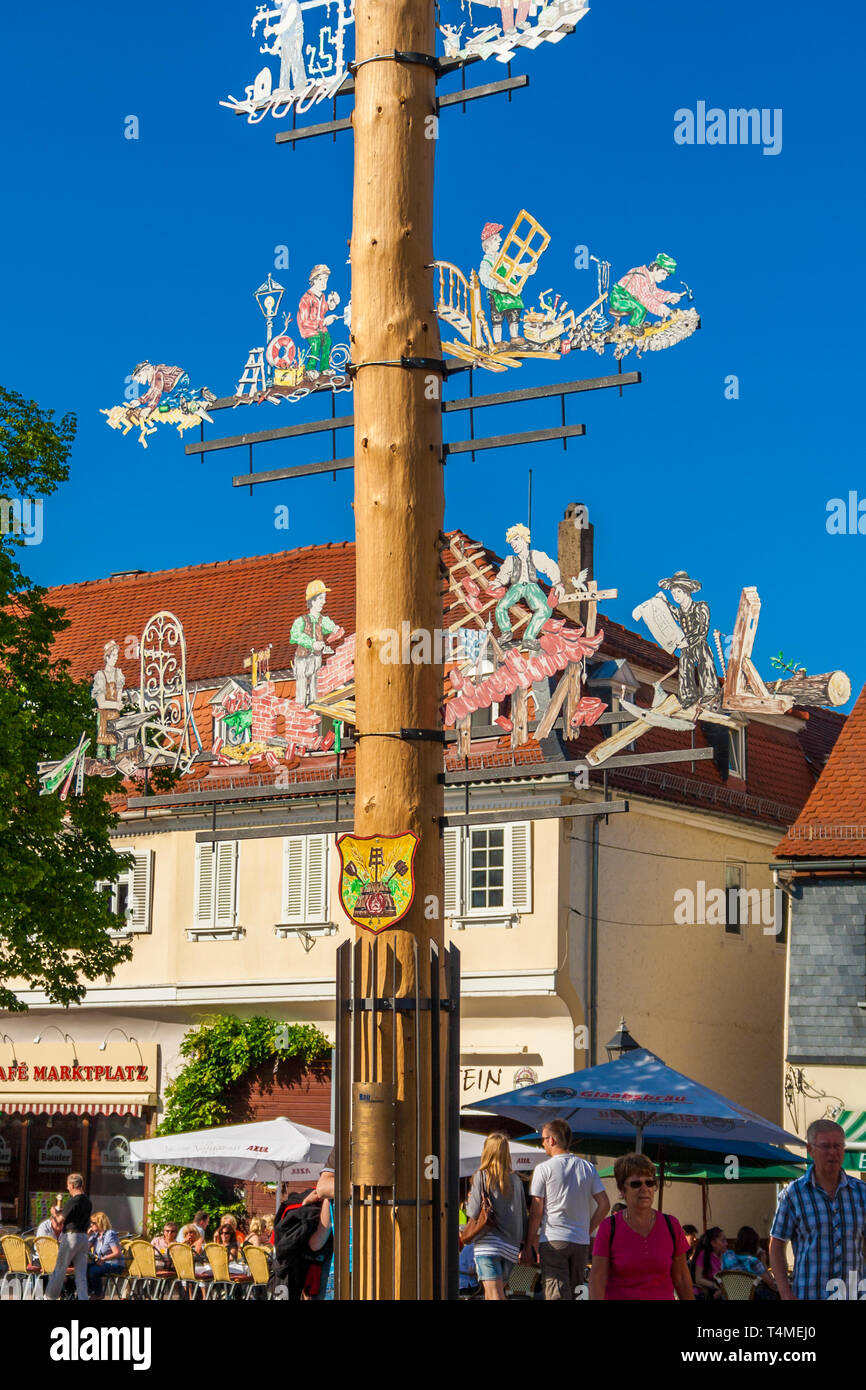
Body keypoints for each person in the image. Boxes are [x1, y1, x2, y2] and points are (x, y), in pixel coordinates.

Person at [769, 1118, 866, 1301]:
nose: (833, 1152)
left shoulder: (861, 1193)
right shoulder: (793, 1194)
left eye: (838, 1146)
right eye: (826, 1146)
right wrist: (785, 1293)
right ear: (810, 1149)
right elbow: (776, 1245)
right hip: (809, 1294)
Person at [589, 1153, 693, 1301]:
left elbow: (681, 1278)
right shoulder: (609, 1227)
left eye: (649, 1183)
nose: (644, 1189)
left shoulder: (671, 1225)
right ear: (622, 1189)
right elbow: (597, 1278)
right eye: (636, 1184)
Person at [526, 1118, 609, 1300]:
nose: (542, 1143)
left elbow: (536, 1211)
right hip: (580, 1241)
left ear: (552, 1140)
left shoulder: (543, 1169)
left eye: (543, 1139)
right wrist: (587, 1229)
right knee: (577, 1294)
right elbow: (604, 1204)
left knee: (556, 1295)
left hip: (554, 1239)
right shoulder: (587, 1167)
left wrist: (529, 1243)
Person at [465, 1132, 528, 1301]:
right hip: (511, 1248)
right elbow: (523, 1214)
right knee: (493, 1293)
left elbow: (473, 1212)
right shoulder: (515, 1179)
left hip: (488, 1244)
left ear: (487, 1151)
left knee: (494, 1295)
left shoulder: (482, 1176)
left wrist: (469, 1201)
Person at [493, 523, 564, 653]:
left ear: (524, 539)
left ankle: (529, 637)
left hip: (531, 586)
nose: (513, 544)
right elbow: (504, 574)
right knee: (501, 606)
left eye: (516, 539)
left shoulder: (535, 555)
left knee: (545, 609)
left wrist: (557, 582)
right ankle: (506, 631)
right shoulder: (511, 560)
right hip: (516, 587)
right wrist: (497, 583)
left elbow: (549, 566)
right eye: (511, 542)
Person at [657, 571, 719, 707]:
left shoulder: (700, 606)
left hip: (698, 643)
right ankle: (687, 696)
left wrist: (688, 640)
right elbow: (673, 612)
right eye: (673, 593)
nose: (675, 596)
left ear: (686, 591)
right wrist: (663, 601)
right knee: (684, 665)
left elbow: (703, 629)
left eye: (678, 592)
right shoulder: (680, 612)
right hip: (686, 646)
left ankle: (710, 691)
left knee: (705, 662)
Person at [290, 580, 344, 708]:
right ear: (312, 600)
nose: (323, 602)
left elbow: (328, 625)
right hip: (303, 659)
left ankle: (315, 711)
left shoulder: (322, 620)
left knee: (315, 689)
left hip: (316, 658)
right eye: (320, 598)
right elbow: (295, 635)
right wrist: (312, 644)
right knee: (301, 689)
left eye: (323, 599)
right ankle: (301, 712)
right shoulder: (301, 620)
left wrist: (335, 629)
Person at [45, 1173, 92, 1301]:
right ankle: (83, 1298)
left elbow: (60, 1221)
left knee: (59, 1269)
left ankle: (49, 1297)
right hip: (83, 1238)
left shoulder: (72, 1201)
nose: (67, 1188)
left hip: (71, 1236)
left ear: (72, 1185)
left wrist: (54, 1213)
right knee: (81, 1274)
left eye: (68, 1185)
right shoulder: (87, 1201)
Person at [609, 254, 683, 327]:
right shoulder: (641, 276)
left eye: (666, 275)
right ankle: (635, 327)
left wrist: (669, 296)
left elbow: (654, 293)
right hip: (619, 299)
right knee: (641, 309)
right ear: (655, 269)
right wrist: (660, 308)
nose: (664, 278)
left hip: (629, 299)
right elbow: (646, 299)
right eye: (663, 273)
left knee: (642, 308)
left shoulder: (649, 278)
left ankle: (637, 325)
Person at [297, 266, 340, 378]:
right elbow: (305, 321)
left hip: (320, 328)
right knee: (316, 344)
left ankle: (324, 367)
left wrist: (333, 303)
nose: (324, 282)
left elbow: (324, 309)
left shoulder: (322, 296)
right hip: (309, 329)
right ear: (314, 280)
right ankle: (310, 369)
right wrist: (324, 322)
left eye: (326, 279)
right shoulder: (306, 298)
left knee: (327, 341)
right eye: (321, 279)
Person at [722, 1226, 778, 1297]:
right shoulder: (753, 1261)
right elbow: (772, 1284)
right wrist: (763, 1263)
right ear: (754, 1245)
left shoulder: (727, 1255)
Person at [87, 1212, 125, 1299]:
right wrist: (87, 1235)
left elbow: (117, 1252)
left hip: (115, 1264)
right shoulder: (96, 1235)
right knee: (84, 1268)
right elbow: (85, 1248)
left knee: (93, 1271)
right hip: (102, 1263)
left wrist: (103, 1259)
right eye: (91, 1222)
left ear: (100, 1223)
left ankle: (98, 1294)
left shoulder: (110, 1234)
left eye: (93, 1223)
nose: (91, 1224)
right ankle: (91, 1292)